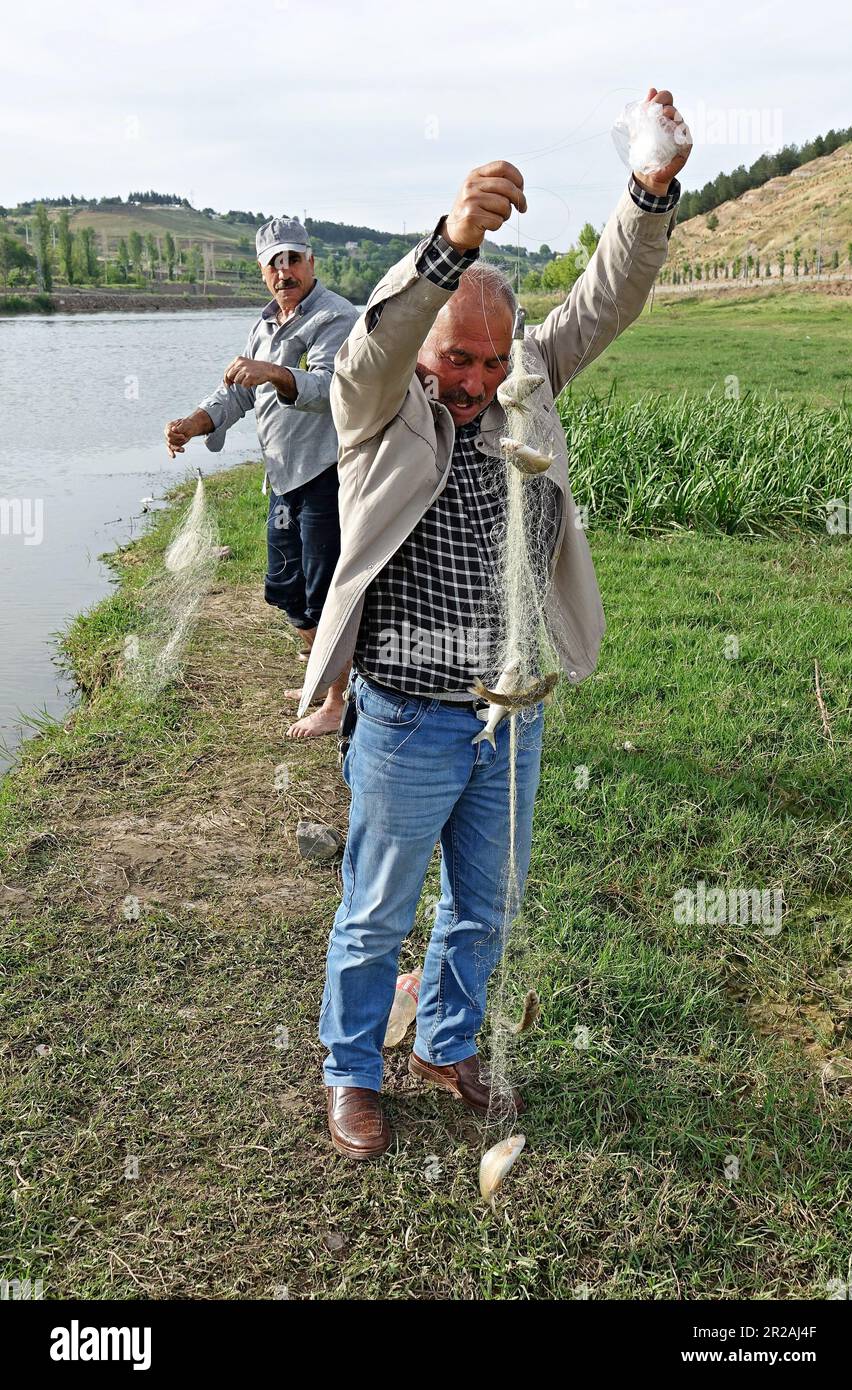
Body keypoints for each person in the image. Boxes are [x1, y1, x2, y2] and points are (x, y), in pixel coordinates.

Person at [301, 88, 692, 1158]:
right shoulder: (379, 407)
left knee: (485, 904)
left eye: (487, 361)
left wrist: (646, 190)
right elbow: (372, 348)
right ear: (427, 352)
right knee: (376, 911)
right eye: (453, 363)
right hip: (405, 718)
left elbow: (608, 298)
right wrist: (449, 241)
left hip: (507, 715)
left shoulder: (529, 377)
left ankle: (444, 1042)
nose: (472, 383)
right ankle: (348, 1071)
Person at [163, 216, 358, 737]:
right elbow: (238, 393)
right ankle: (322, 677)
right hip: (283, 478)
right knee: (284, 589)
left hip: (327, 473)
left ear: (311, 262)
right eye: (275, 262)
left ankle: (337, 702)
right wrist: (194, 423)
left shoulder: (335, 317)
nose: (285, 270)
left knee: (325, 592)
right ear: (262, 271)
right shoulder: (265, 323)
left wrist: (272, 372)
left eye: (294, 258)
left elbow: (331, 388)